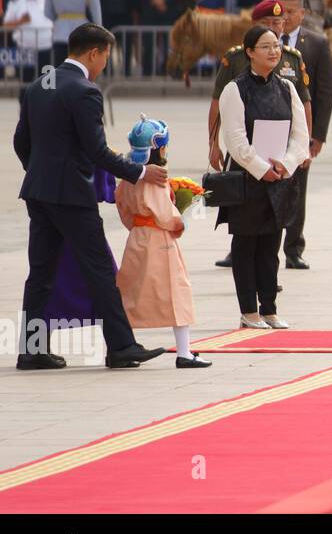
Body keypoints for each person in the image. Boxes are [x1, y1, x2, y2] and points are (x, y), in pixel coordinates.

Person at [13, 22, 169, 370]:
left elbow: (21, 142)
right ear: (94, 53)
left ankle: (32, 350)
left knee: (40, 272)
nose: (105, 66)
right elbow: (97, 151)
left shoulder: (39, 84)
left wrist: (40, 173)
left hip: (39, 194)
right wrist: (141, 172)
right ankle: (122, 346)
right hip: (70, 196)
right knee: (99, 269)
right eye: (106, 58)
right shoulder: (85, 90)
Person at [217, 23, 310, 328]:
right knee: (246, 246)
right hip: (247, 179)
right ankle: (249, 311)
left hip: (280, 179)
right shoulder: (235, 89)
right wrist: (261, 168)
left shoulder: (287, 87)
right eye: (266, 47)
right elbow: (234, 139)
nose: (274, 51)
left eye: (276, 46)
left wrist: (286, 164)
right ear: (249, 52)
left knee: (271, 247)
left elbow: (300, 135)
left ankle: (269, 308)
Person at [210, 0, 312, 268]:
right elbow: (217, 101)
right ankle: (241, 260)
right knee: (244, 216)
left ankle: (283, 260)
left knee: (278, 218)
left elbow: (305, 103)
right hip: (246, 154)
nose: (275, 28)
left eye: (278, 23)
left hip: (280, 157)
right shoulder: (235, 58)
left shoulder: (291, 58)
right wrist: (213, 144)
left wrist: (305, 147)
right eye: (267, 24)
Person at [114, 117, 212, 368]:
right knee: (177, 293)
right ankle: (184, 352)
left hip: (136, 237)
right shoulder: (155, 179)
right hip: (160, 240)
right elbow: (167, 215)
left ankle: (120, 346)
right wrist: (181, 222)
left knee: (130, 294)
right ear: (159, 149)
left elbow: (123, 209)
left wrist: (137, 227)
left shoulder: (127, 178)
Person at [279, 0, 332, 270]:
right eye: (281, 11)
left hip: (301, 130)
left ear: (303, 13)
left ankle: (293, 248)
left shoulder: (317, 43)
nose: (286, 17)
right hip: (266, 128)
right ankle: (242, 244)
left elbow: (325, 93)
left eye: (291, 11)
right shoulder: (263, 41)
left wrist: (318, 136)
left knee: (296, 190)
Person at [3, 0, 53, 82]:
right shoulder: (16, 2)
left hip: (46, 48)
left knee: (47, 84)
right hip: (25, 50)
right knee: (25, 82)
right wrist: (20, 21)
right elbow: (6, 25)